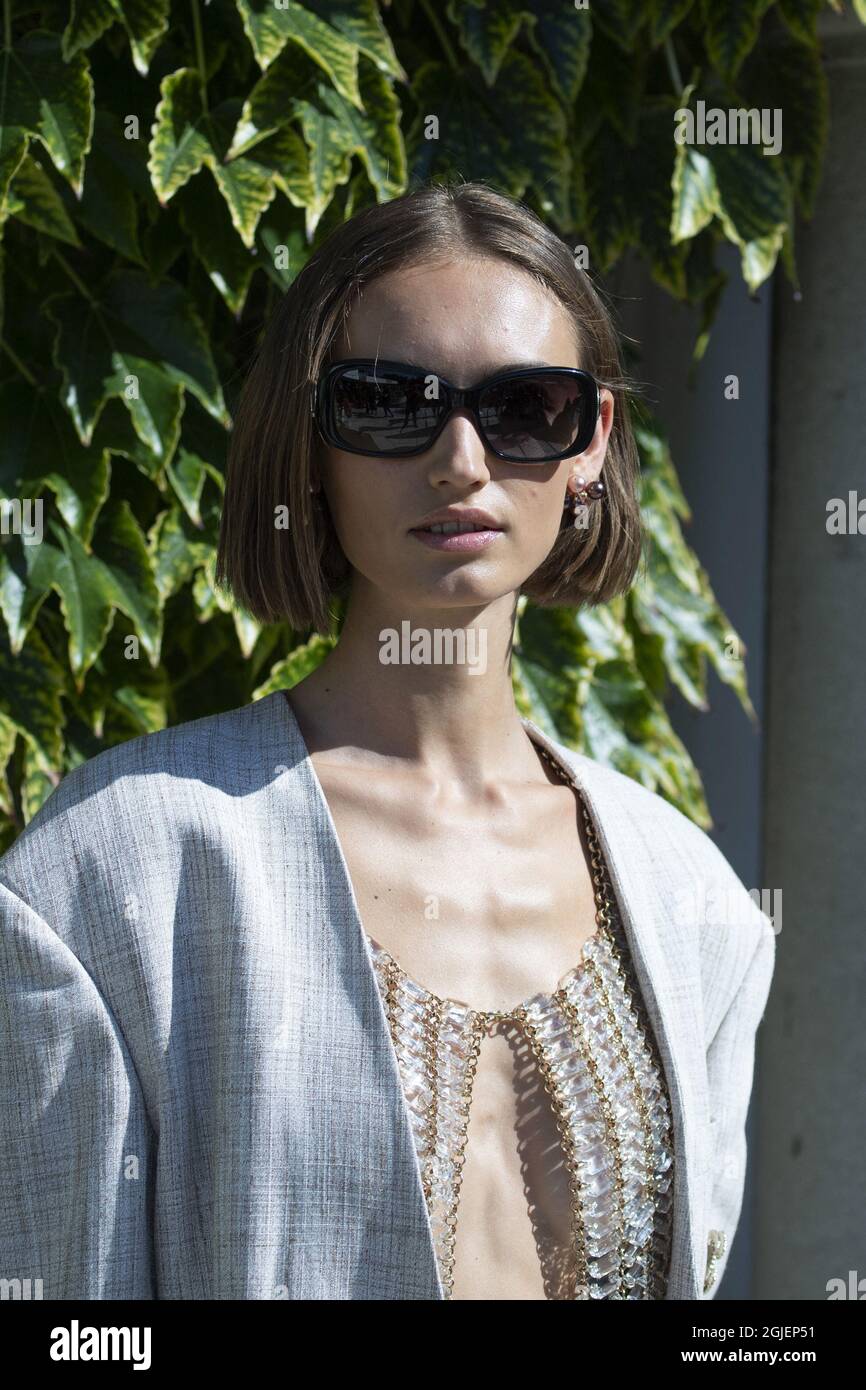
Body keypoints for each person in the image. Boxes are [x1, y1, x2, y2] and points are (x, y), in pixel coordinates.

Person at [0, 181, 775, 1301]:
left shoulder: (692, 903)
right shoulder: (111, 877)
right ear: (309, 440)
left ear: (591, 441)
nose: (459, 458)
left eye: (526, 408)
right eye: (388, 402)